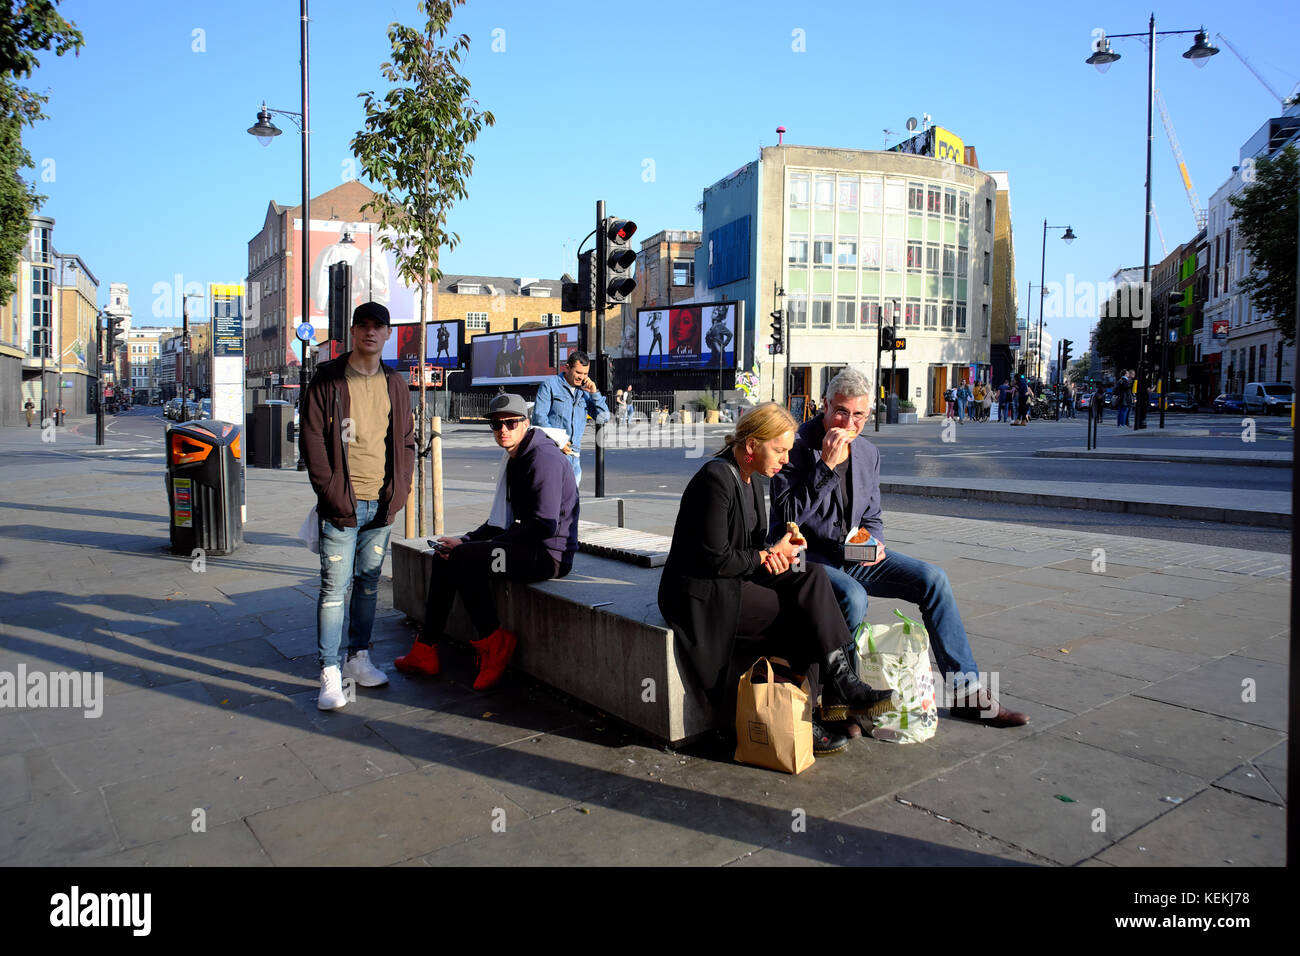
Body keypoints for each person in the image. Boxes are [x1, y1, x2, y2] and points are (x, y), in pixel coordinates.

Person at [771, 368, 1029, 729]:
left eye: (858, 415)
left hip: (853, 553)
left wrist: (873, 543)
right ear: (825, 406)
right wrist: (826, 466)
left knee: (933, 579)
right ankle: (843, 700)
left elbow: (872, 515)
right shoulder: (796, 446)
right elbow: (786, 517)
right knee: (853, 596)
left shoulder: (867, 453)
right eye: (841, 411)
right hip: (806, 558)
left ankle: (966, 691)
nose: (849, 422)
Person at [658, 402, 896, 755]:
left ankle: (842, 680)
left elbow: (751, 547)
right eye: (780, 450)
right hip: (701, 594)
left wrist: (779, 549)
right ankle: (810, 714)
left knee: (811, 575)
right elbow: (714, 558)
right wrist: (765, 556)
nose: (786, 459)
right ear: (752, 445)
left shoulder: (752, 479)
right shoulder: (715, 479)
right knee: (802, 613)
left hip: (733, 578)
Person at [395, 393, 579, 690]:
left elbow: (544, 526)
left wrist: (476, 548)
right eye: (496, 424)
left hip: (548, 557)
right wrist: (465, 540)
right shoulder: (516, 456)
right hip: (526, 546)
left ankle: (494, 643)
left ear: (526, 423)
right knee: (448, 554)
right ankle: (425, 649)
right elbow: (500, 522)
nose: (503, 430)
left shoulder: (542, 459)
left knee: (464, 558)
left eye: (510, 423)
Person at [301, 301, 416, 711]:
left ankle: (357, 658)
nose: (370, 332)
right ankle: (329, 671)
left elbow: (405, 439)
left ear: (388, 334)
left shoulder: (395, 383)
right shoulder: (329, 379)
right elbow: (312, 438)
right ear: (352, 332)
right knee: (335, 588)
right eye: (362, 325)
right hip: (342, 504)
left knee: (368, 584)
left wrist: (400, 491)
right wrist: (330, 491)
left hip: (382, 504)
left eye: (378, 327)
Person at [530, 349, 609, 487]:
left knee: (571, 503)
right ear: (567, 368)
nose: (582, 377)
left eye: (585, 374)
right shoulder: (550, 385)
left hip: (574, 455)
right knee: (552, 499)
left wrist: (595, 393)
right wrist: (559, 441)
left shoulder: (584, 391)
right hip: (552, 452)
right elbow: (539, 418)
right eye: (578, 372)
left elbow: (604, 418)